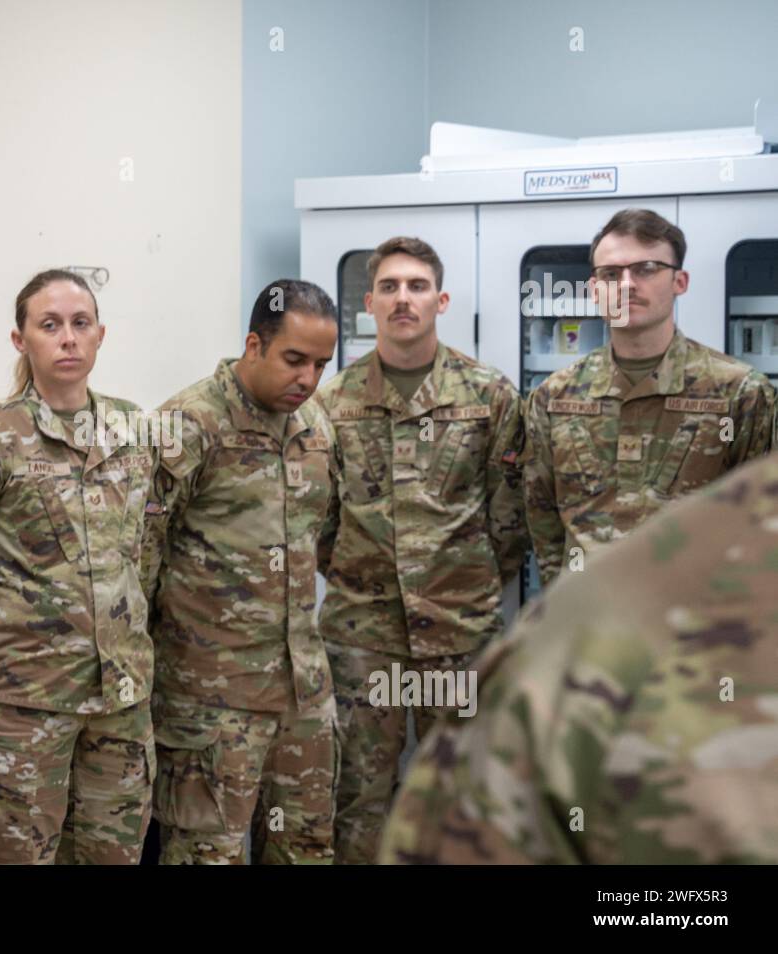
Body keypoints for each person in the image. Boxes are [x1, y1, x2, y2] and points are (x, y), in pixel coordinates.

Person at [380, 449, 778, 864]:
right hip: (373, 625)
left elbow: (506, 518)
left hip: (467, 623)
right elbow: (536, 504)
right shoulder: (587, 647)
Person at [0, 269, 155, 864]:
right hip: (22, 704)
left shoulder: (135, 430)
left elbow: (146, 543)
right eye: (50, 325)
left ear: (101, 335)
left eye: (80, 324)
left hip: (119, 700)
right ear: (21, 340)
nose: (68, 338)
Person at [315, 236, 528, 864]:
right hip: (362, 638)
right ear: (370, 304)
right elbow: (321, 520)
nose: (402, 298)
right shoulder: (332, 402)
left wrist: (463, 579)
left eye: (415, 286)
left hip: (459, 634)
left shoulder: (488, 396)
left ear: (441, 299)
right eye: (388, 287)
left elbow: (510, 515)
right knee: (358, 796)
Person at [141, 279, 340, 864]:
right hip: (209, 702)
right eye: (294, 360)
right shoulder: (189, 425)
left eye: (321, 365)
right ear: (254, 345)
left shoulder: (316, 429)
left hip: (302, 696)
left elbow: (322, 539)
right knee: (208, 856)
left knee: (306, 850)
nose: (307, 378)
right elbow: (138, 560)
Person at [524, 207, 775, 587]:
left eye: (646, 269)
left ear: (680, 282)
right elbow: (541, 516)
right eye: (611, 274)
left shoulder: (740, 394)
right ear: (594, 290)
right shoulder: (554, 397)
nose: (626, 284)